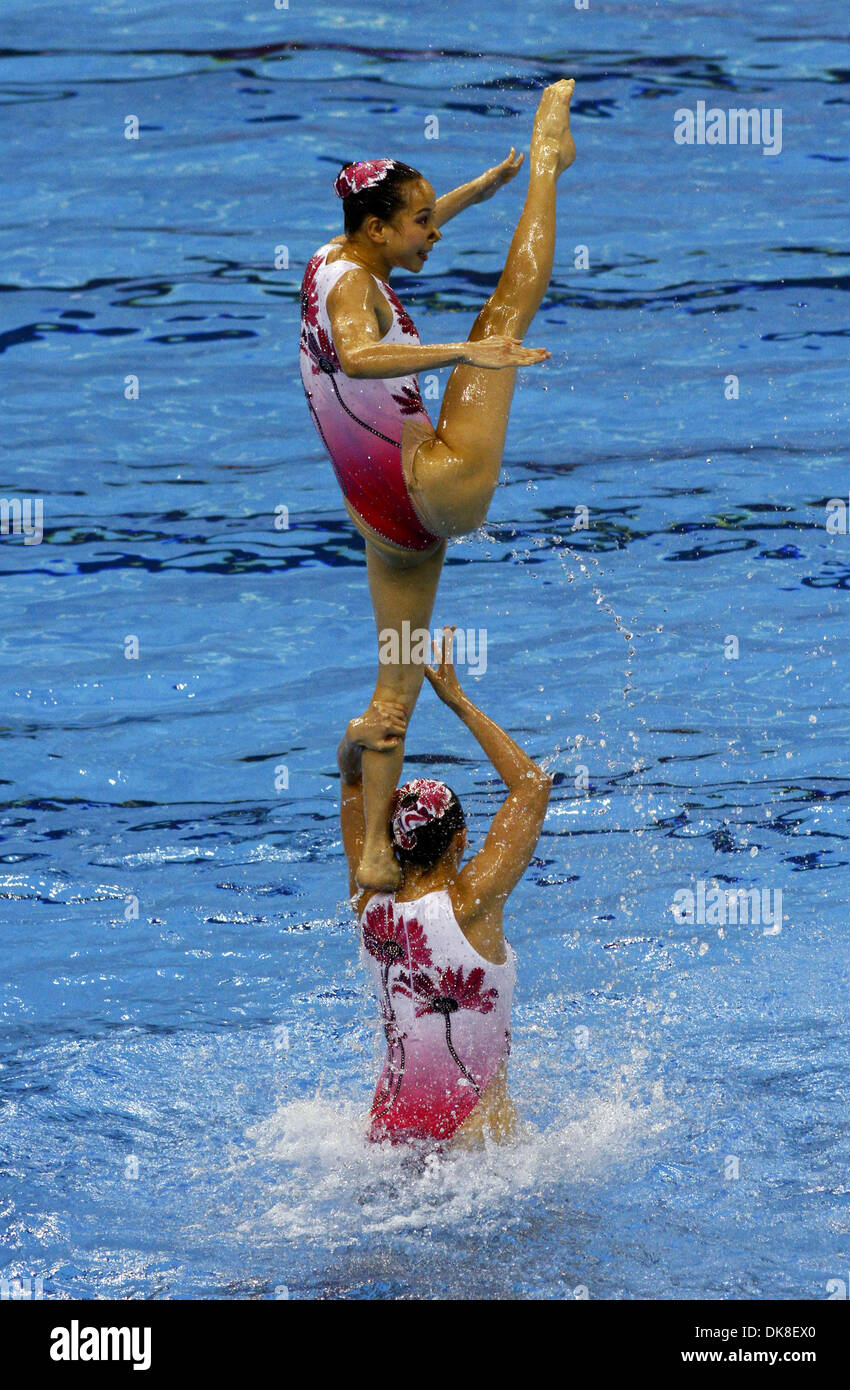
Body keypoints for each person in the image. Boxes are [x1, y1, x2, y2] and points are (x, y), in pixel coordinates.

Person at [301, 79, 576, 893]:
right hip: (435, 486)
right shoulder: (355, 290)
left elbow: (390, 251)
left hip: (383, 518)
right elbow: (355, 354)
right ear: (379, 228)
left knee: (396, 684)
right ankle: (551, 166)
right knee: (502, 317)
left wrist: (476, 191)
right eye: (422, 221)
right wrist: (464, 354)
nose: (433, 234)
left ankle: (379, 852)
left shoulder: (330, 259)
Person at [337, 627, 553, 1149]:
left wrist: (353, 737)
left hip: (386, 1132)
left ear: (387, 840)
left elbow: (352, 781)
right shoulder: (472, 902)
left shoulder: (368, 901)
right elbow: (532, 785)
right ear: (460, 840)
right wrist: (457, 700)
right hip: (472, 1142)